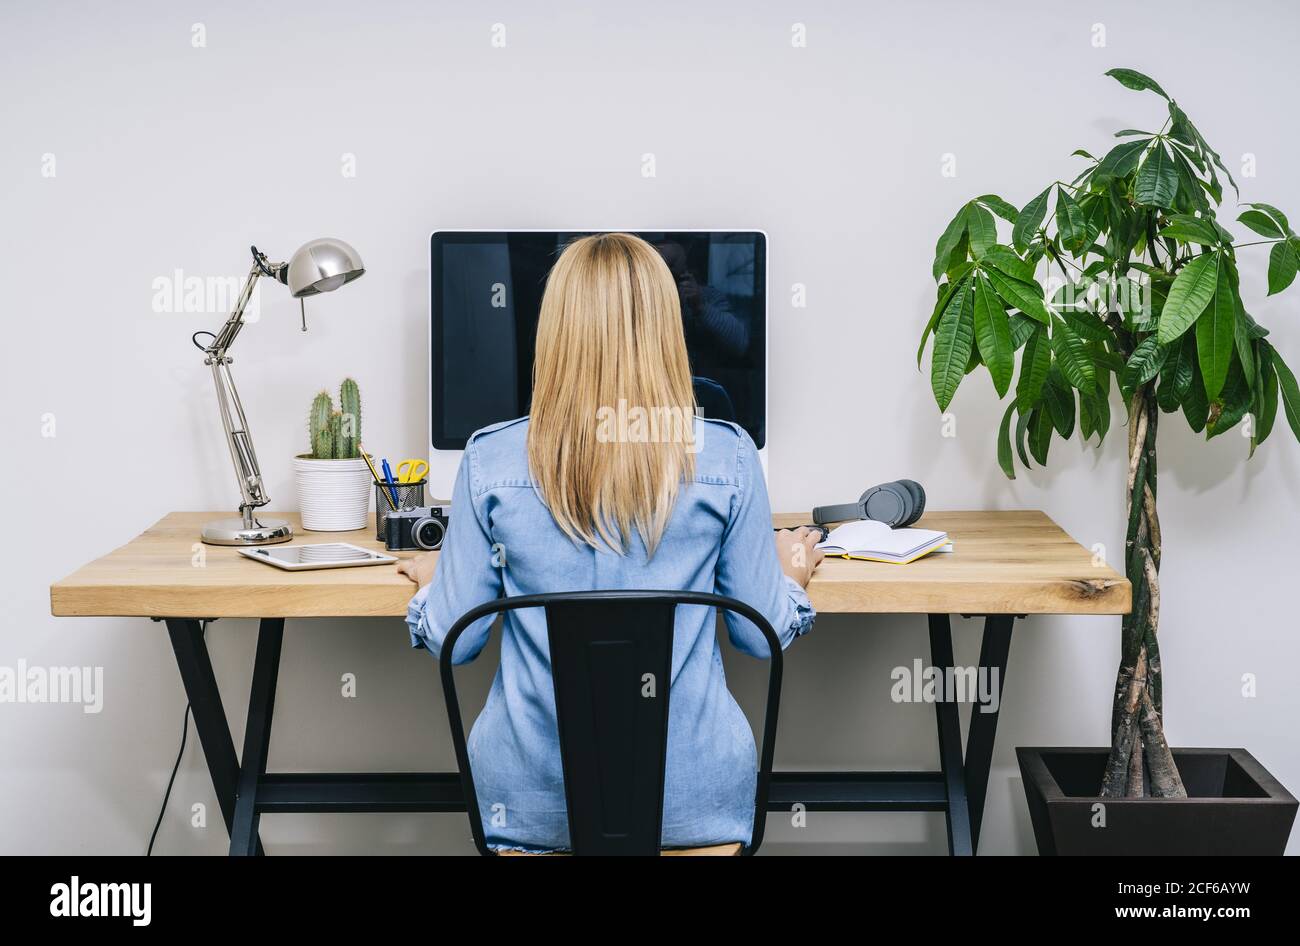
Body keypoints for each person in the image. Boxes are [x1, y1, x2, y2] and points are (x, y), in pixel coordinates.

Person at [398, 232, 821, 852]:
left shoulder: (489, 460)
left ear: (555, 330)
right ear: (665, 329)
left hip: (525, 811)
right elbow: (759, 635)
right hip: (694, 811)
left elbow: (455, 642)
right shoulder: (727, 456)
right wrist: (791, 578)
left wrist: (437, 583)